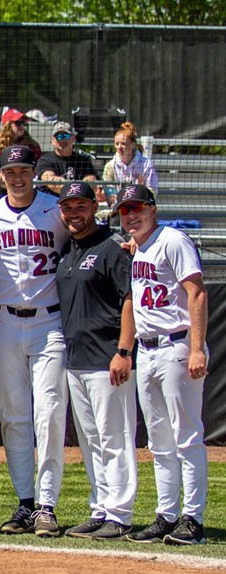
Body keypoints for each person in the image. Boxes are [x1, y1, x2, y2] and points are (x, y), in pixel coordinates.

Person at [0, 145, 68, 538]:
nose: (18, 176)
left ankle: (47, 504)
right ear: (3, 174)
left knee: (48, 413)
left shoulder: (56, 210)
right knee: (13, 417)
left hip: (50, 321)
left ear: (34, 172)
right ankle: (25, 502)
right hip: (6, 322)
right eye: (11, 170)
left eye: (24, 169)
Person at [117, 184, 209, 546]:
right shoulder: (139, 246)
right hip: (148, 348)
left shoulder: (173, 240)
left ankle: (193, 518)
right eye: (125, 210)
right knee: (159, 442)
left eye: (137, 207)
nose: (131, 215)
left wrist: (197, 349)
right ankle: (166, 514)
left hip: (176, 344)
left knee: (187, 437)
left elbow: (196, 292)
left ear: (153, 209)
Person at [53, 182, 137, 541]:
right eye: (68, 207)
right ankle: (101, 507)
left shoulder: (111, 247)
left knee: (113, 437)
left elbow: (129, 298)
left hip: (108, 358)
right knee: (90, 440)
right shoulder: (67, 249)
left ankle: (120, 514)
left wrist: (124, 351)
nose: (74, 214)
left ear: (94, 206)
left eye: (81, 206)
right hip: (77, 359)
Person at [36, 122, 104, 199]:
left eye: (66, 136)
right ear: (53, 140)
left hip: (78, 201)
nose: (62, 140)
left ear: (73, 138)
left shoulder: (83, 160)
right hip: (51, 201)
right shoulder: (45, 160)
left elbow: (91, 181)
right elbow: (52, 182)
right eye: (59, 136)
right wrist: (80, 187)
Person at [102, 122, 158, 207]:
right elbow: (109, 190)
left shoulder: (146, 164)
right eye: (117, 143)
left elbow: (152, 190)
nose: (119, 147)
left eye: (123, 144)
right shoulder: (110, 166)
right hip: (119, 208)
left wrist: (140, 196)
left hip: (141, 206)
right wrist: (117, 205)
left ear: (133, 145)